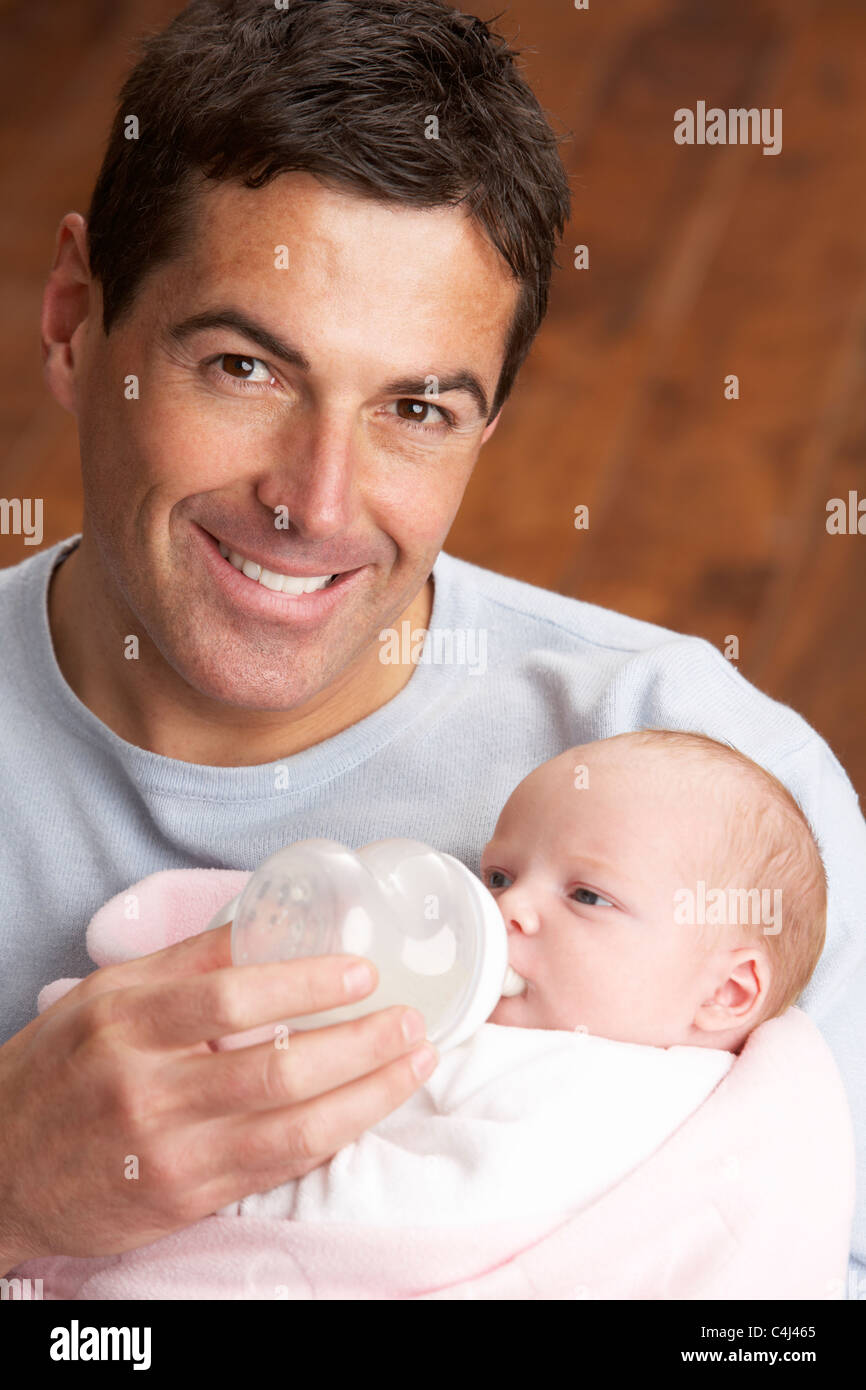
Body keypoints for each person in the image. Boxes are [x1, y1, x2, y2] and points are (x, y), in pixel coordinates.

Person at [0, 0, 864, 1293]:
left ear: (489, 423)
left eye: (414, 407)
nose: (319, 502)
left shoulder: (715, 793)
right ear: (74, 320)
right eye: (244, 367)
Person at [8, 730, 851, 1300]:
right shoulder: (479, 1018)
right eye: (498, 877)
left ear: (727, 994)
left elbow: (426, 1208)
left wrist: (247, 1189)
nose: (511, 909)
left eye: (586, 895)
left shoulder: (621, 1091)